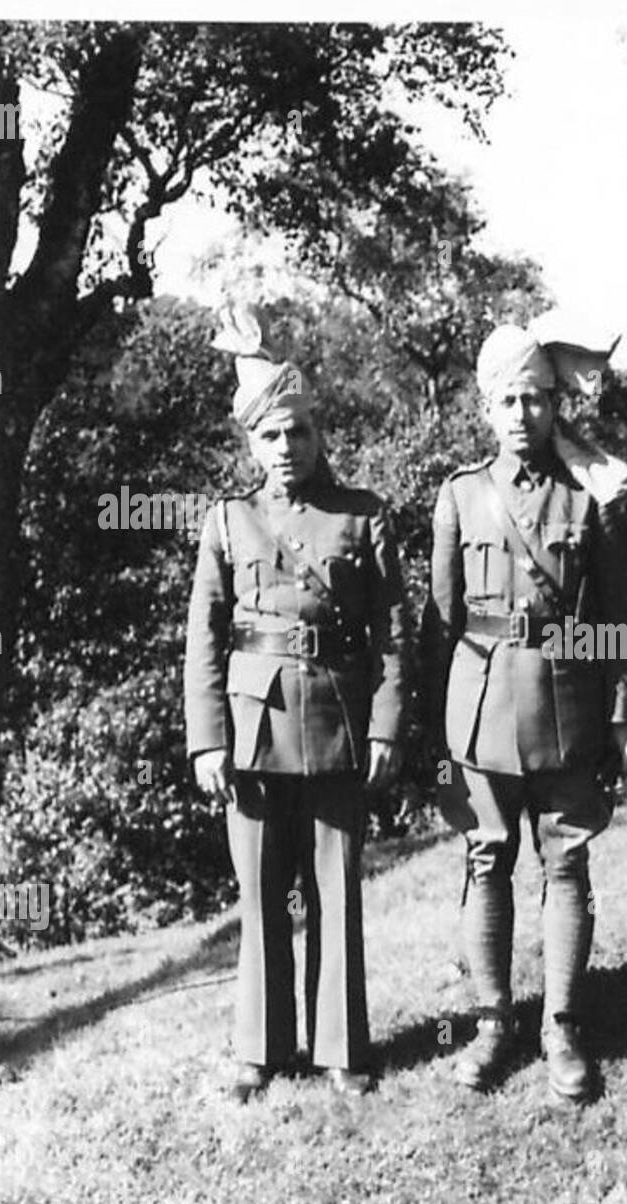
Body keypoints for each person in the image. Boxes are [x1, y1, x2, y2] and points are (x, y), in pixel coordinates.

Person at [184, 305, 405, 1102]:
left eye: (298, 434)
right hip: (251, 729)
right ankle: (261, 1045)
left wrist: (385, 726)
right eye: (271, 437)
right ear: (252, 443)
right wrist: (208, 741)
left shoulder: (363, 516)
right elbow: (203, 638)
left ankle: (343, 1048)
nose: (286, 450)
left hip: (336, 723)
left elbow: (392, 634)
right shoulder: (226, 520)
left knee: (335, 890)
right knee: (261, 889)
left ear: (317, 434)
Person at [423, 314, 627, 1105]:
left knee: (567, 863)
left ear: (558, 405)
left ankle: (561, 1023)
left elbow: (619, 613)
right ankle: (491, 1022)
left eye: (537, 399)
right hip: (479, 709)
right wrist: (429, 731)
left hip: (567, 706)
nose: (523, 415)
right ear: (487, 407)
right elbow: (441, 623)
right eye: (509, 401)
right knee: (486, 859)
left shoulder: (590, 496)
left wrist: (623, 716)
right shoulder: (460, 496)